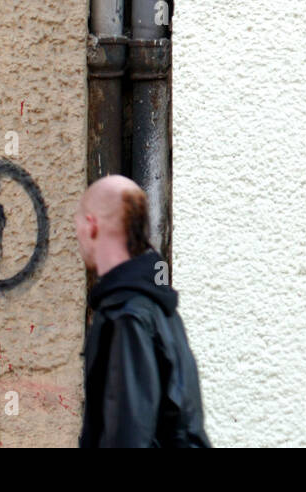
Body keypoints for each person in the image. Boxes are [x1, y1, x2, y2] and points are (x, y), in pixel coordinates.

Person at [73, 174, 211, 447]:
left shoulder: (127, 314)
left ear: (92, 226)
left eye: (77, 223)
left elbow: (128, 435)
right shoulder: (157, 307)